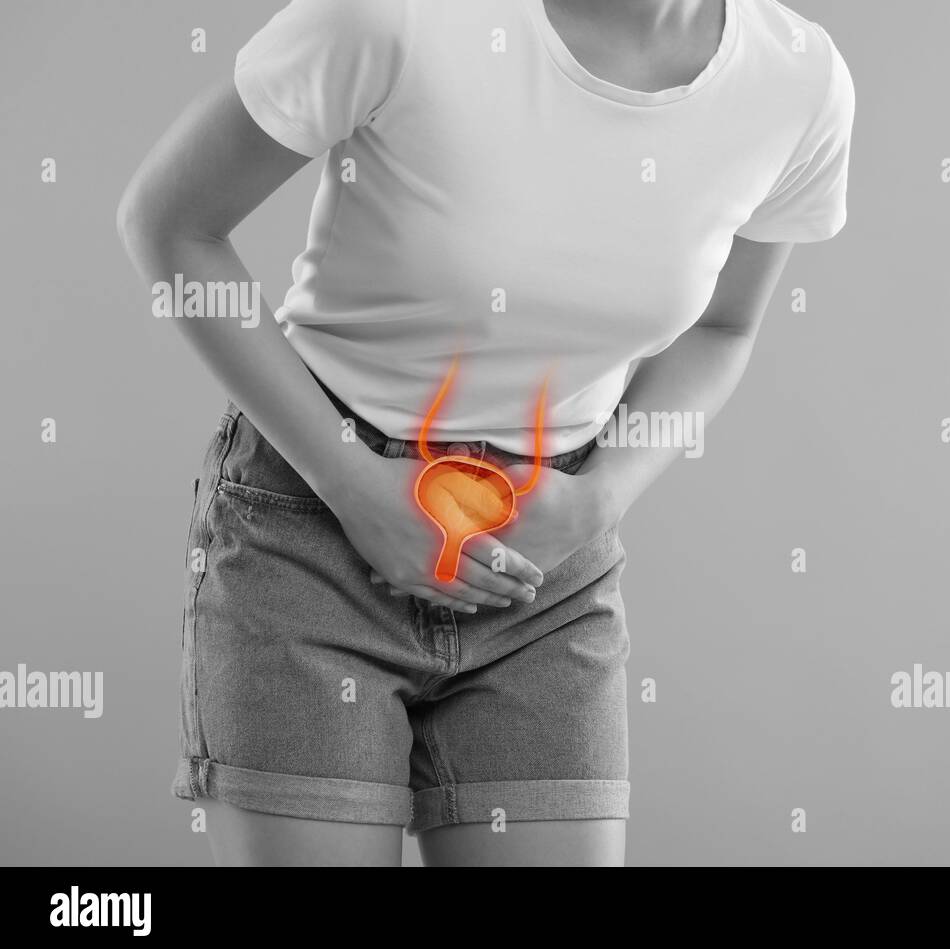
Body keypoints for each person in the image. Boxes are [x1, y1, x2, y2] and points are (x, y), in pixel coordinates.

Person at [117, 0, 855, 866]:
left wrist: (601, 497)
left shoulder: (799, 79)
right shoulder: (399, 17)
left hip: (542, 568)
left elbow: (723, 329)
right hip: (312, 534)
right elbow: (170, 224)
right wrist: (353, 486)